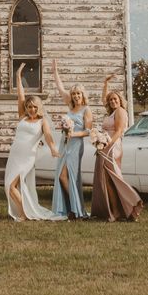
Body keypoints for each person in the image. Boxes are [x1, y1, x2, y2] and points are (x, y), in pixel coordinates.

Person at [4, 65, 61, 221]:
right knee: (9, 187)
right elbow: (20, 95)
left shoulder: (42, 121)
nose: (32, 109)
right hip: (14, 155)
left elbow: (48, 135)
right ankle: (24, 212)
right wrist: (17, 76)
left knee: (11, 185)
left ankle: (24, 214)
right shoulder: (22, 116)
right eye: (29, 107)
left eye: (35, 107)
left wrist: (53, 148)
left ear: (39, 108)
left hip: (27, 157)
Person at [90, 76, 143, 222]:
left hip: (113, 146)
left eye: (115, 99)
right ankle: (113, 211)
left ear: (120, 100)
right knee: (106, 180)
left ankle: (130, 205)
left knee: (114, 178)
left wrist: (106, 144)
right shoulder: (111, 112)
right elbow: (103, 99)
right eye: (111, 99)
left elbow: (119, 131)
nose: (113, 101)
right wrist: (105, 83)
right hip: (105, 145)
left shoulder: (120, 111)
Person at [50, 58, 92, 219]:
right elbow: (60, 88)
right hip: (64, 143)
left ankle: (76, 209)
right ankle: (70, 208)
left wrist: (73, 133)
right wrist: (55, 72)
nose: (75, 96)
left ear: (82, 94)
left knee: (68, 176)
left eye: (78, 93)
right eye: (73, 94)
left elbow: (88, 131)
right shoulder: (70, 106)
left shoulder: (86, 110)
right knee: (61, 176)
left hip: (76, 145)